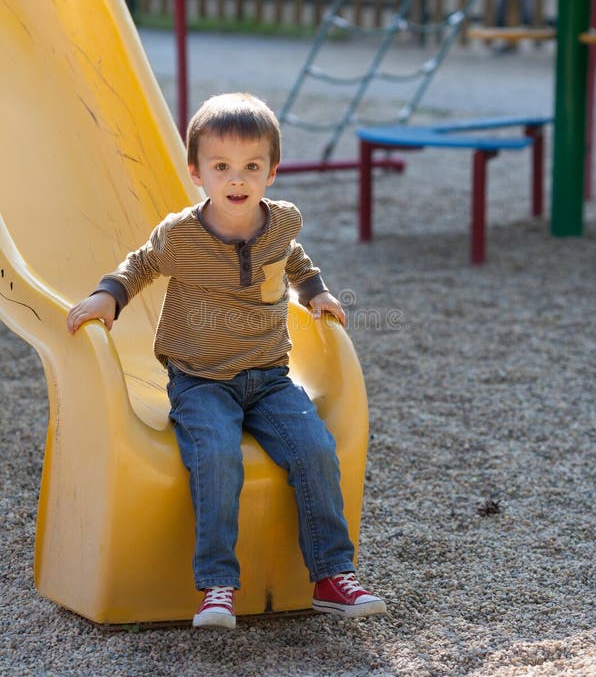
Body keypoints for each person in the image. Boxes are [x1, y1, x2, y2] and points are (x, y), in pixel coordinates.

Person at [66, 92, 386, 631]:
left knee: (315, 449)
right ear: (197, 172)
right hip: (200, 381)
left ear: (272, 171)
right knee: (216, 456)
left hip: (269, 377)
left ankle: (332, 575)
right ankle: (218, 585)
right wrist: (109, 296)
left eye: (251, 167)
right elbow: (141, 263)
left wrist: (315, 291)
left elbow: (294, 257)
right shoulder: (183, 234)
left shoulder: (281, 222)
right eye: (221, 167)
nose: (236, 179)